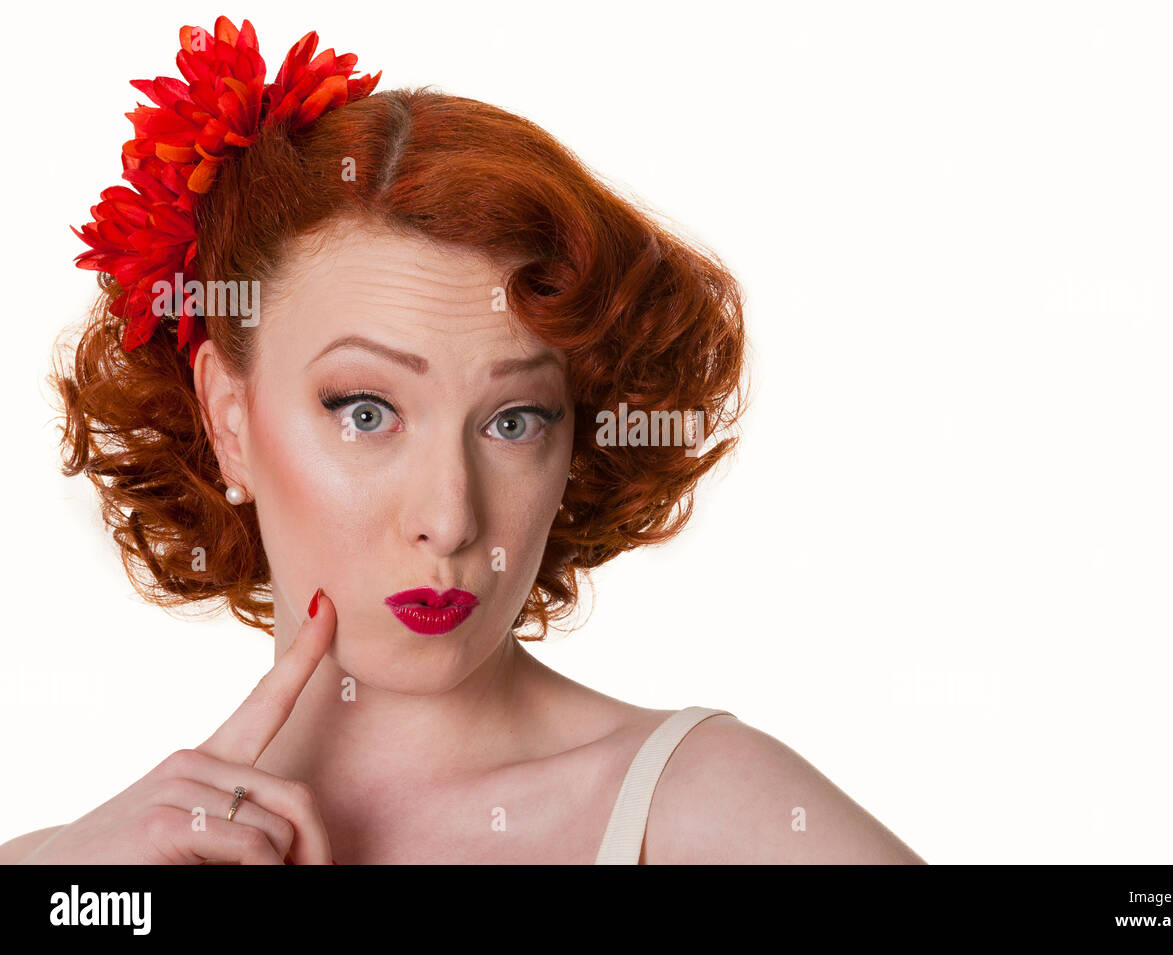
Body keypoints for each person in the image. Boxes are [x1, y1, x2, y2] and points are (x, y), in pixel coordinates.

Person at [1, 16, 924, 865]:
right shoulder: (75, 870)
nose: (449, 519)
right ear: (229, 421)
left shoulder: (711, 816)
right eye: (366, 411)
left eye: (513, 420)